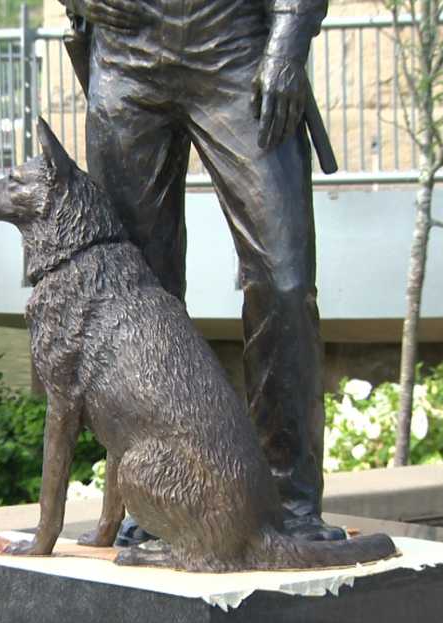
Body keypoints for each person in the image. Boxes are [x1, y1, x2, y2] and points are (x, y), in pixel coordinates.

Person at [61, 0, 341, 541]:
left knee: (284, 282)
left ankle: (288, 502)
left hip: (233, 43)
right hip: (126, 50)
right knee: (137, 297)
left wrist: (287, 44)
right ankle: (167, 503)